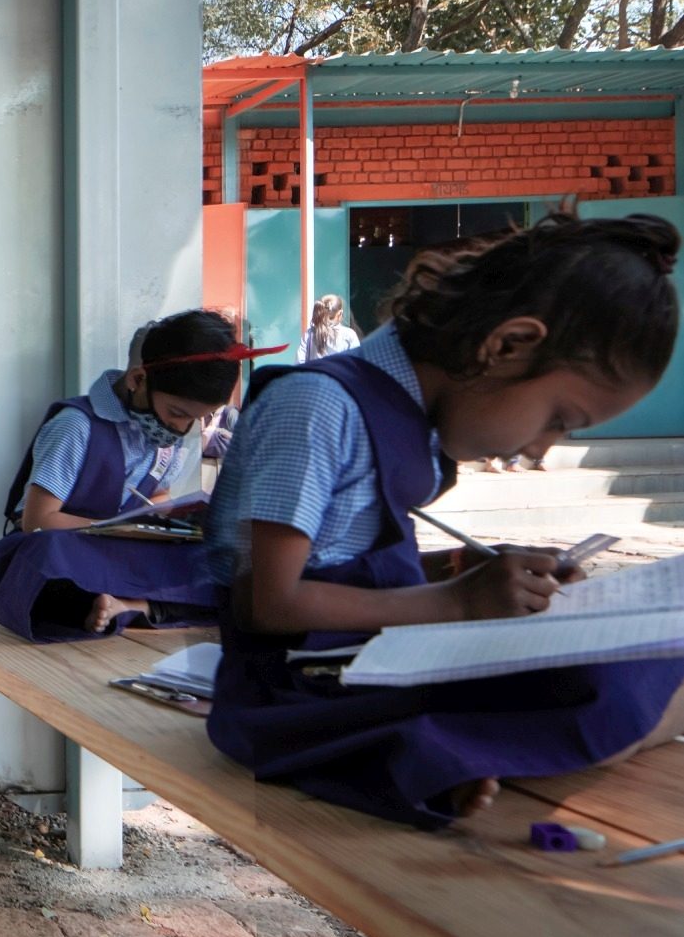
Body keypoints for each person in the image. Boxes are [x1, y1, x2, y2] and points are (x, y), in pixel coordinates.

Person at [205, 211, 684, 829]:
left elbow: (346, 567)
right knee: (603, 688)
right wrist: (457, 602)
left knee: (648, 661)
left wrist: (459, 572)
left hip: (373, 662)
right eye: (560, 417)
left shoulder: (395, 410)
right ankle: (441, 756)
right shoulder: (318, 406)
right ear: (506, 346)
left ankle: (449, 754)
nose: (542, 447)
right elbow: (266, 602)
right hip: (292, 692)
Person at [0, 311, 272, 641]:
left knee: (226, 560)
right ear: (138, 380)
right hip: (71, 546)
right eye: (177, 413)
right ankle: (142, 606)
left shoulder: (170, 439)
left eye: (197, 419)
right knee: (50, 553)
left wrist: (176, 519)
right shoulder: (76, 426)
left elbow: (158, 497)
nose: (182, 428)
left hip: (126, 550)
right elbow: (38, 519)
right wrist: (113, 529)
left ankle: (135, 606)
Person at [295, 294, 361, 363]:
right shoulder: (349, 335)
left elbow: (299, 362)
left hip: (313, 373)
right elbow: (357, 363)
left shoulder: (310, 334)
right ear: (340, 313)